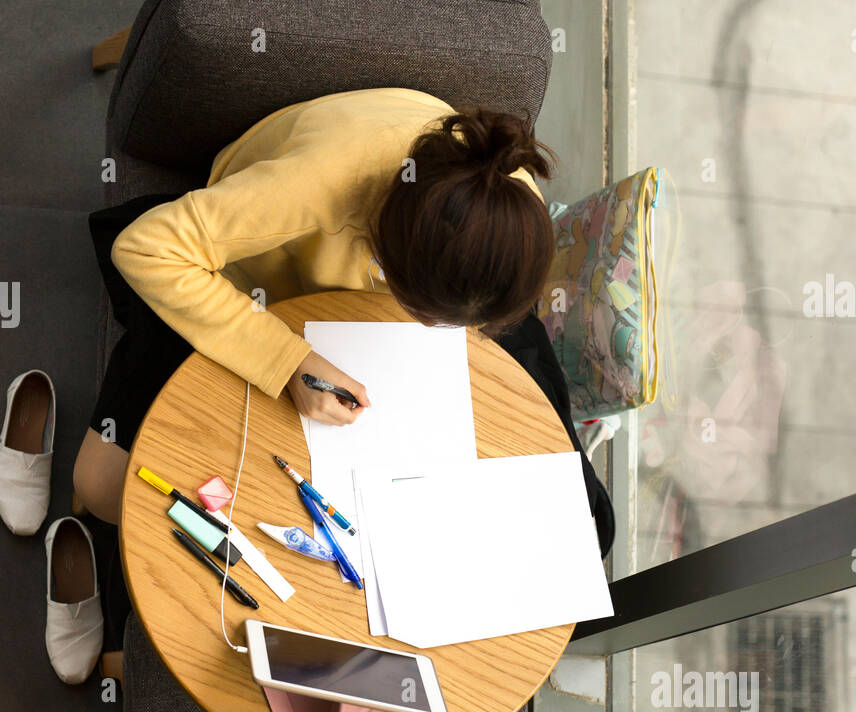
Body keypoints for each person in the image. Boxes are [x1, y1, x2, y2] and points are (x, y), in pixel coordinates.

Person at [72, 89, 557, 524]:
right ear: (382, 252)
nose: (431, 329)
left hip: (352, 298)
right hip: (251, 275)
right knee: (102, 489)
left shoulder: (510, 203)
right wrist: (287, 362)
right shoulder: (320, 182)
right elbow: (144, 248)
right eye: (424, 314)